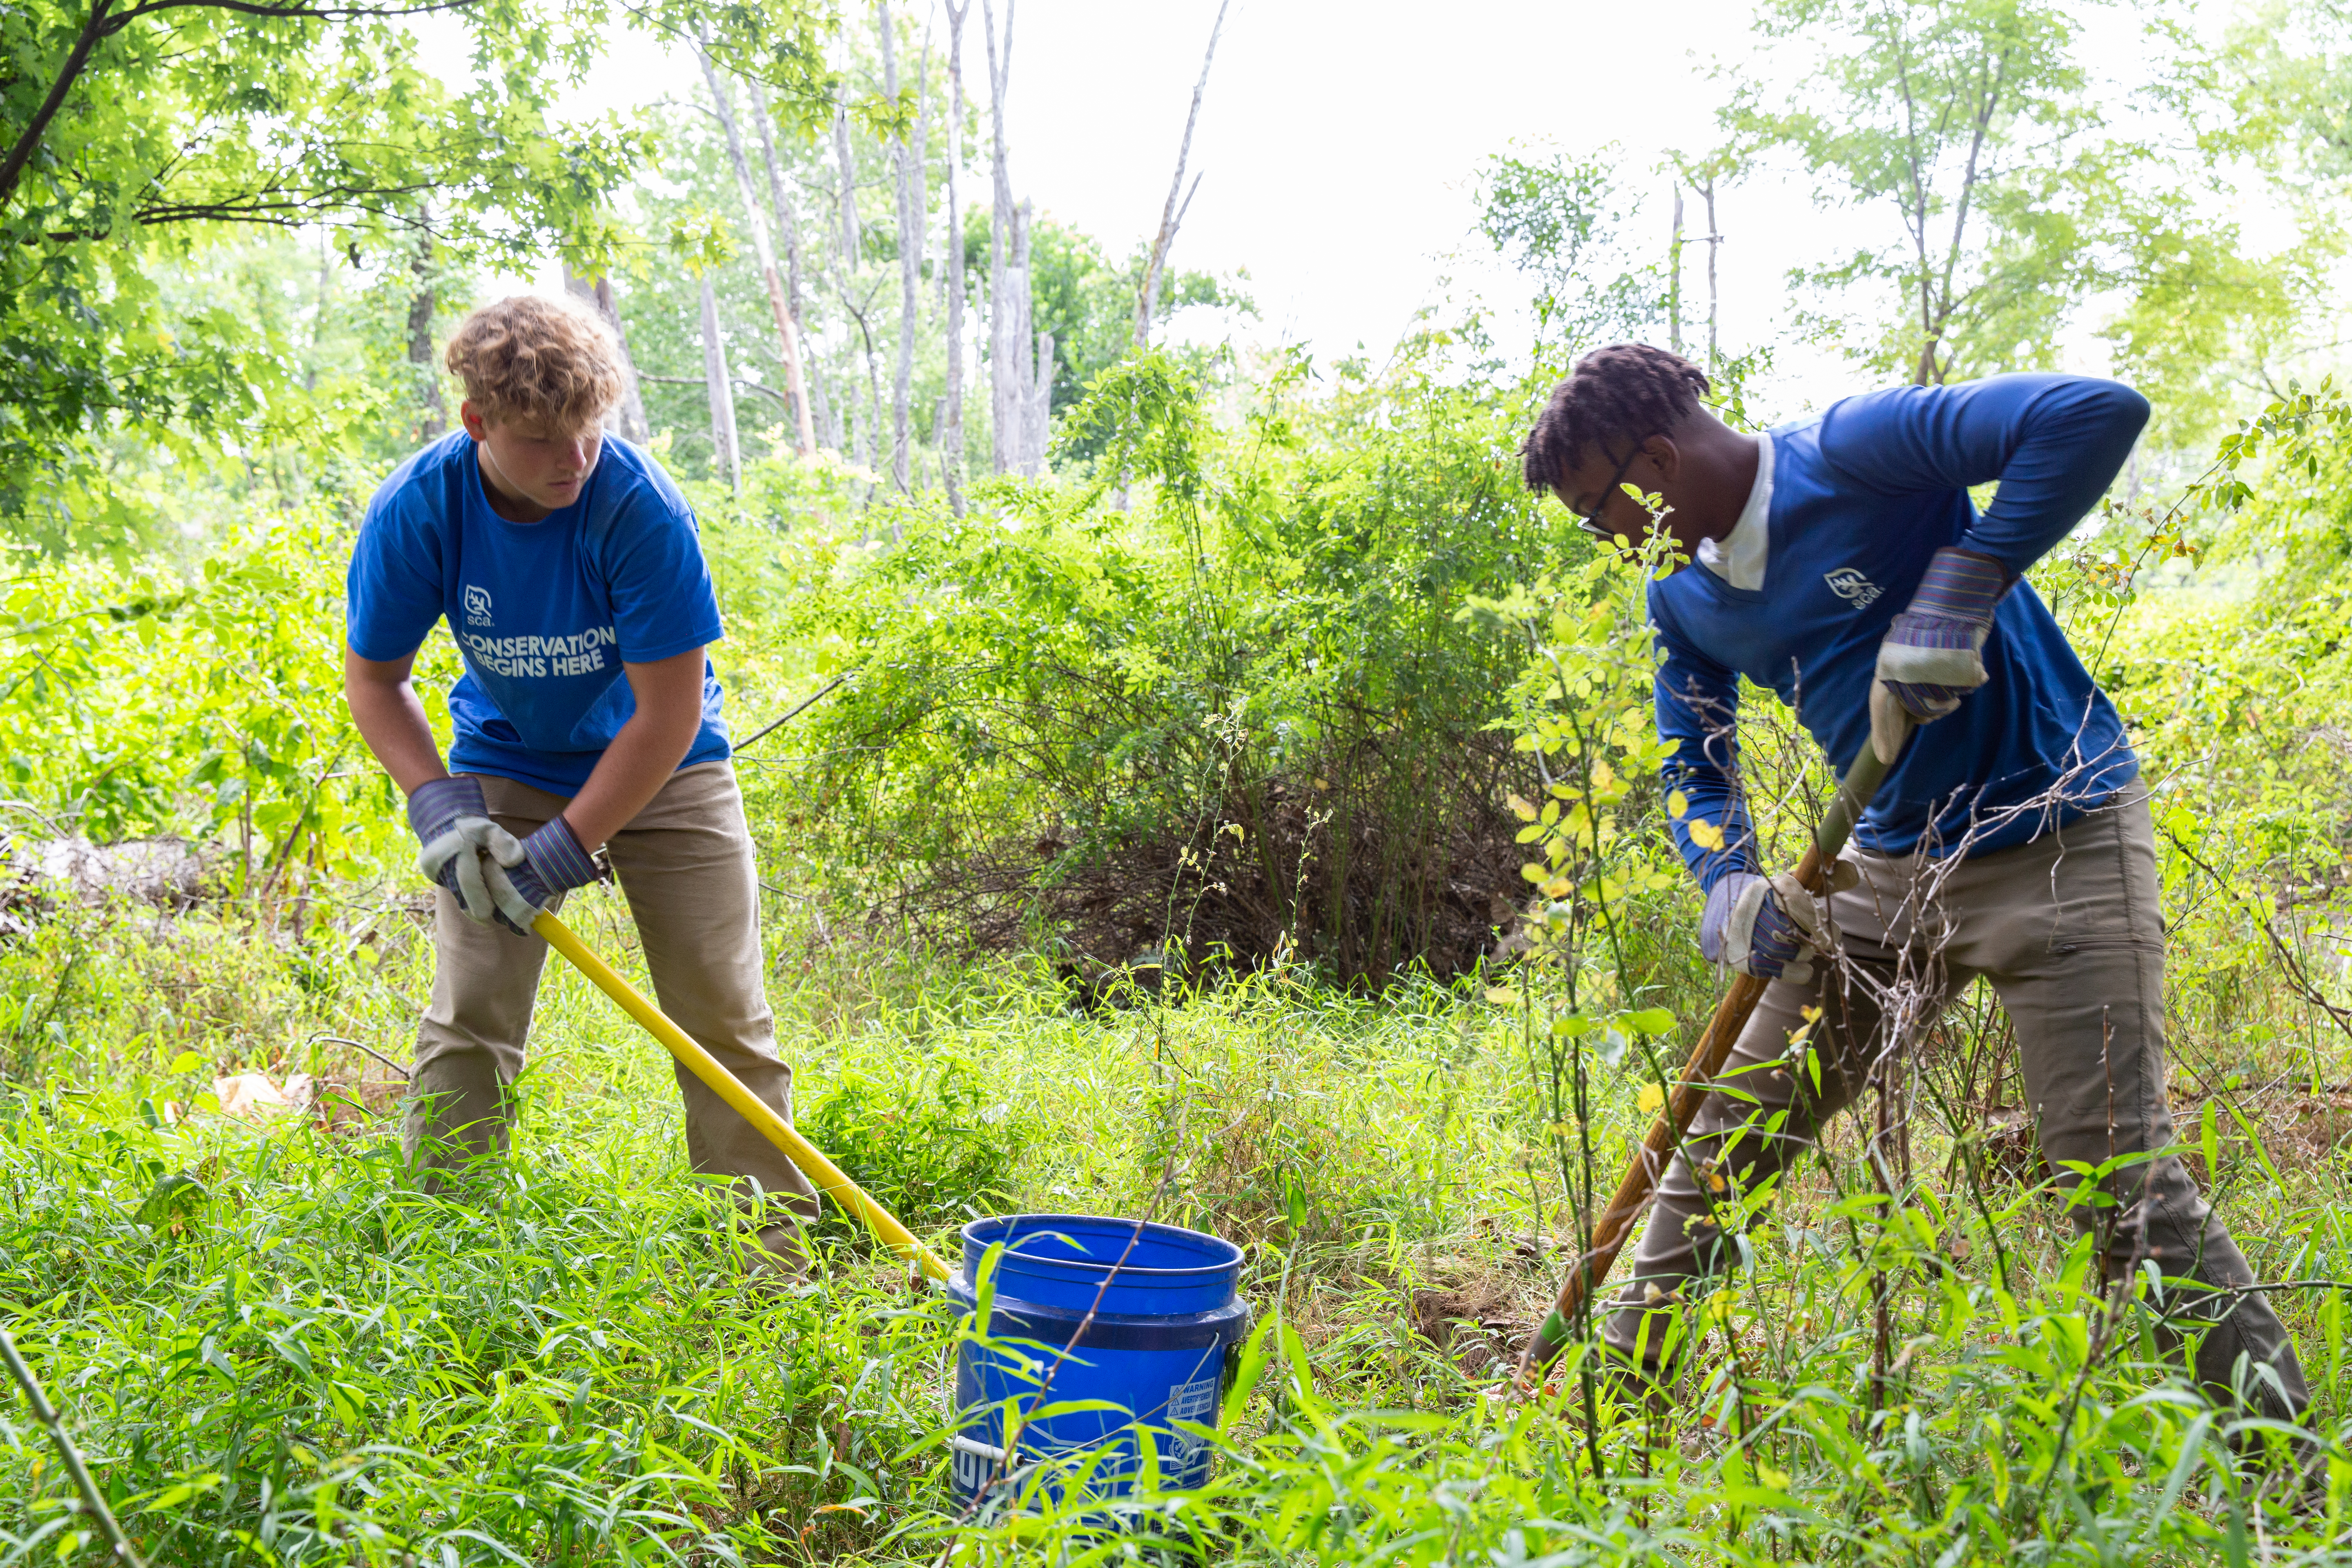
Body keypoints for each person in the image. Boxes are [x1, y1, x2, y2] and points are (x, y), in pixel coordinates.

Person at [1517, 343, 2305, 1421]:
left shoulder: (1851, 454)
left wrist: (1965, 583)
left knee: (2115, 1179)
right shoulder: (1681, 598)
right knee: (1714, 1154)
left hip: (2057, 840)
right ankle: (1606, 1430)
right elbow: (1691, 759)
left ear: (1652, 460)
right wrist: (1727, 881)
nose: (1608, 539)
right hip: (1884, 876)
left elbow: (2091, 412)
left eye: (1598, 510)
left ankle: (2290, 1485)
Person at [343, 292, 816, 1274]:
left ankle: (771, 1267)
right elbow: (377, 681)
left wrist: (564, 850)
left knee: (721, 1011)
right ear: (477, 424)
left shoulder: (637, 508)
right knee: (470, 1011)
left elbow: (668, 715)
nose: (575, 459)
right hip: (507, 761)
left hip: (667, 764)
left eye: (590, 430)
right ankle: (445, 1249)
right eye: (542, 438)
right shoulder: (421, 509)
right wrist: (439, 805)